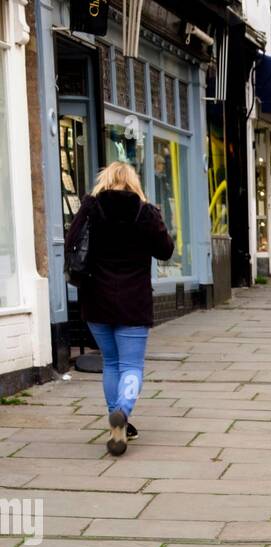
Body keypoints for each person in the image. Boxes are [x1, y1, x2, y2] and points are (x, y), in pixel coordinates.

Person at [64, 161, 174, 456]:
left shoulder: (90, 208)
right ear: (133, 182)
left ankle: (119, 421)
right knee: (132, 366)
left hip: (96, 300)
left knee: (111, 363)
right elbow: (166, 250)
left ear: (105, 179)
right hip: (133, 303)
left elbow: (71, 243)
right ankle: (123, 411)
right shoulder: (144, 212)